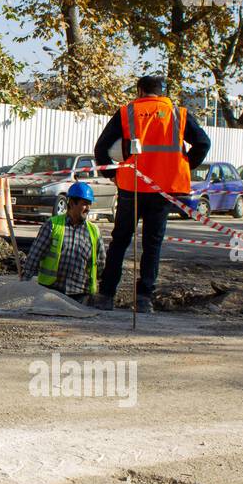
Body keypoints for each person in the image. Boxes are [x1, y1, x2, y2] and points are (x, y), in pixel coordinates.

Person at [92, 75, 210, 312]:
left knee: (120, 241)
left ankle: (106, 295)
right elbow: (203, 143)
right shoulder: (178, 114)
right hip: (163, 189)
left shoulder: (126, 113)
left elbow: (101, 148)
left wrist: (111, 174)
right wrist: (185, 165)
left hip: (131, 187)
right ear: (162, 92)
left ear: (139, 90)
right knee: (152, 244)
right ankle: (144, 299)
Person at [20, 181, 105, 301]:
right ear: (72, 203)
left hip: (81, 294)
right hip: (51, 292)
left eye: (89, 204)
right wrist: (24, 282)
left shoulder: (93, 231)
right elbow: (35, 255)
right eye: (85, 204)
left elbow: (101, 263)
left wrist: (106, 290)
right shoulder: (53, 225)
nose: (88, 208)